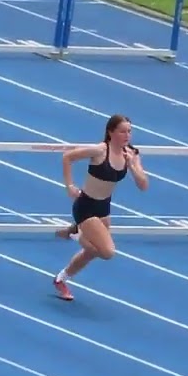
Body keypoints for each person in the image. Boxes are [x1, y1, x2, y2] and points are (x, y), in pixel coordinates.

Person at [52, 114, 149, 301]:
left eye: (129, 131)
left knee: (91, 252)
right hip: (86, 206)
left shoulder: (131, 154)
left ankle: (61, 279)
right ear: (110, 132)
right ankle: (74, 233)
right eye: (122, 131)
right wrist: (69, 185)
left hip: (104, 208)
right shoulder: (100, 151)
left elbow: (143, 185)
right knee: (107, 252)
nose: (127, 135)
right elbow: (68, 157)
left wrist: (132, 166)